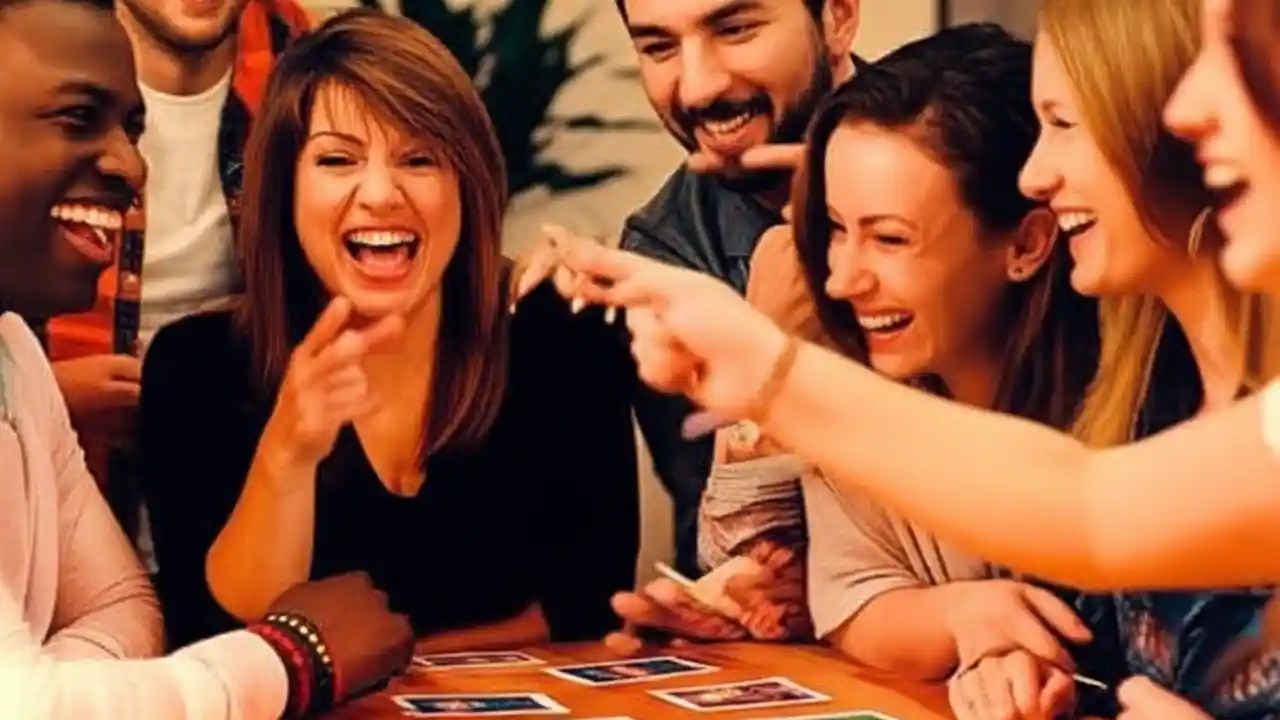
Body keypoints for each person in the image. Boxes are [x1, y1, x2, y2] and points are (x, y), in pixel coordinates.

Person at [139, 9, 640, 651]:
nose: (380, 193)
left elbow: (588, 607)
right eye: (338, 160)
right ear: (284, 187)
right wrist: (288, 456)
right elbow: (222, 632)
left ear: (468, 181)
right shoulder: (197, 366)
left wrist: (373, 662)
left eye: (420, 159)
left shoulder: (558, 334)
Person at [0, 0, 412, 715]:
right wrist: (293, 656)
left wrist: (53, 682)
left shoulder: (13, 356)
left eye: (133, 127)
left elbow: (126, 605)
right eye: (76, 118)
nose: (132, 165)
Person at [45, 0, 309, 541]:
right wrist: (39, 394)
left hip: (235, 503)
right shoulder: (30, 45)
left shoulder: (294, 49)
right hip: (45, 508)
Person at [613, 0, 861, 576]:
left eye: (735, 29)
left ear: (839, 18)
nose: (698, 88)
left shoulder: (978, 150)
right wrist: (769, 333)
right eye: (659, 47)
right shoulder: (668, 254)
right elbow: (732, 556)